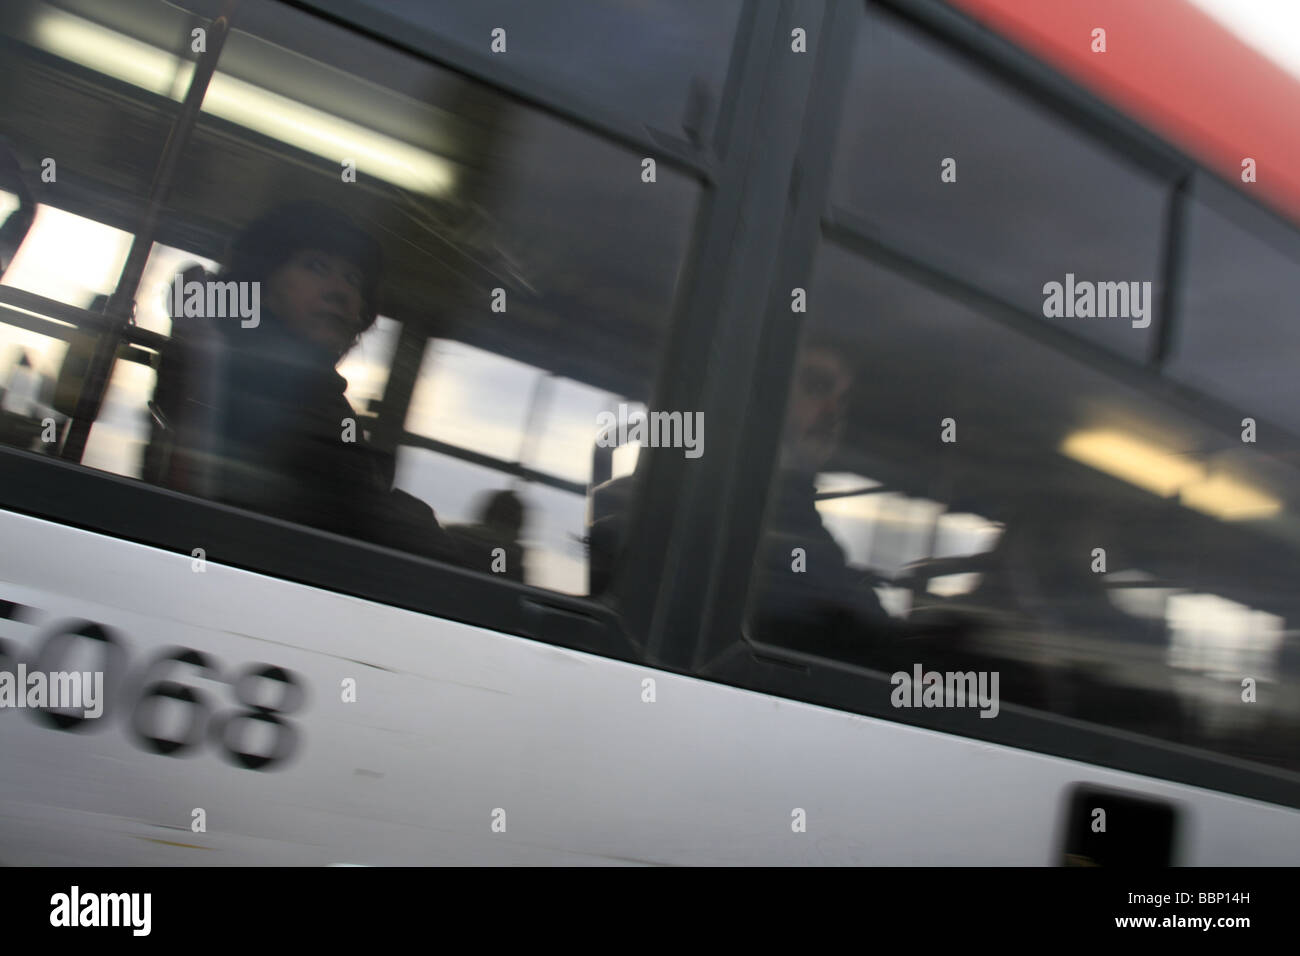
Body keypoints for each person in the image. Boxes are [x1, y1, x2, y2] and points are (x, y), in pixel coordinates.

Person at [146, 200, 459, 562]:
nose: (340, 290)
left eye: (353, 279)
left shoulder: (297, 382)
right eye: (317, 267)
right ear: (263, 285)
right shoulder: (262, 376)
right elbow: (355, 514)